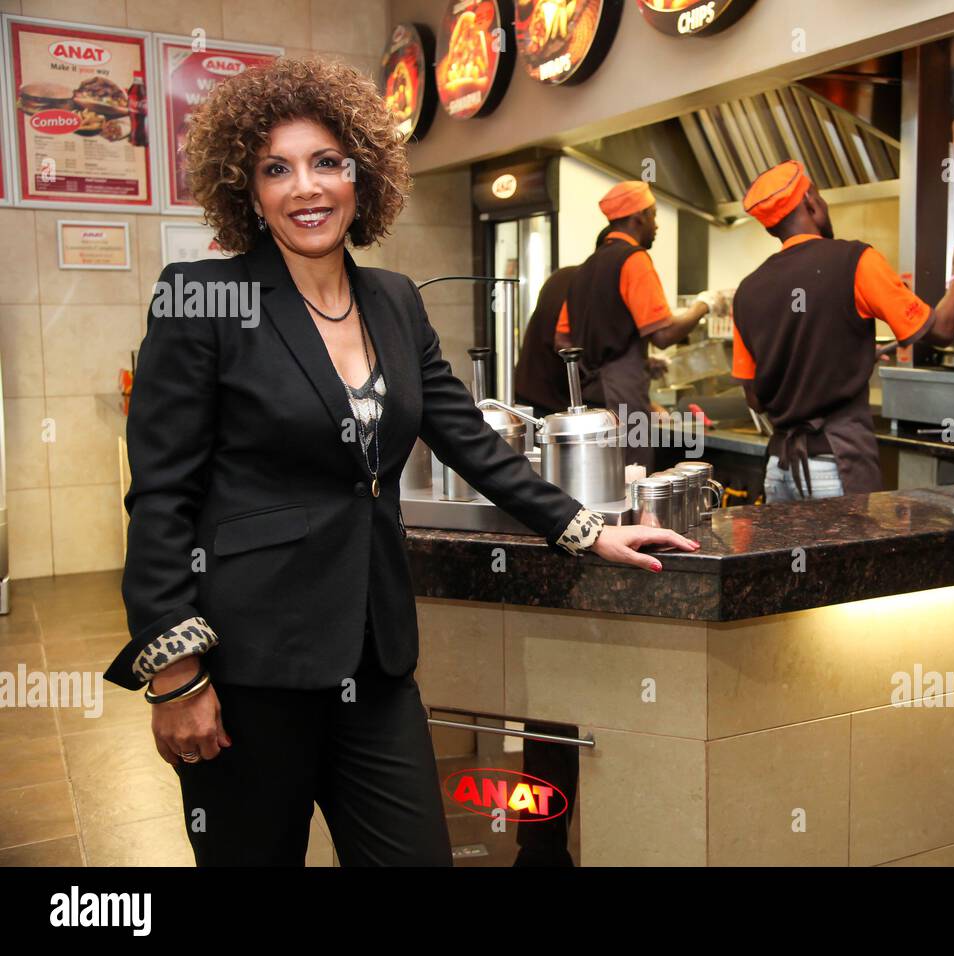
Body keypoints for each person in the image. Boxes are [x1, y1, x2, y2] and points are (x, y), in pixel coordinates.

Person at [104, 56, 698, 867]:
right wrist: (175, 674)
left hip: (375, 660)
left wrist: (588, 528)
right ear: (247, 190)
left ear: (362, 176)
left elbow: (466, 435)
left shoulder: (393, 297)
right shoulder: (203, 297)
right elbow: (161, 497)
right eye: (276, 168)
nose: (306, 188)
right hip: (249, 666)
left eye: (326, 163)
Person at [730, 160, 954, 500]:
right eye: (820, 198)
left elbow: (755, 399)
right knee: (844, 556)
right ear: (811, 202)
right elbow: (941, 331)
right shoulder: (856, 261)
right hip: (836, 465)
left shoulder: (747, 291)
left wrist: (851, 360)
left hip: (779, 470)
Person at [554, 180, 726, 469]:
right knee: (632, 473)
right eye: (654, 215)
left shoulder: (585, 268)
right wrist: (704, 305)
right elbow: (663, 333)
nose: (656, 225)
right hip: (623, 396)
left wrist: (617, 358)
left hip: (589, 393)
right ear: (638, 218)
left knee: (599, 475)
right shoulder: (634, 260)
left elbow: (562, 341)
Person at [514, 226, 612, 416]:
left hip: (525, 393)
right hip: (557, 405)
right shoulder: (591, 287)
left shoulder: (563, 275)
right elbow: (567, 345)